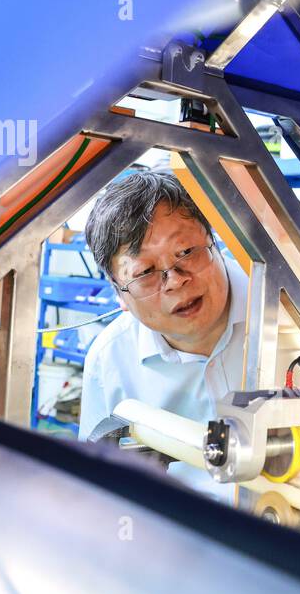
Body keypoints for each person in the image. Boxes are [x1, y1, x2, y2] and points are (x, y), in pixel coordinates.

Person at [77, 170, 248, 453]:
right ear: (119, 293)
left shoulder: (296, 315)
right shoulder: (110, 359)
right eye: (145, 272)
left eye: (186, 252)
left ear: (213, 239)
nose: (177, 280)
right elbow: (94, 477)